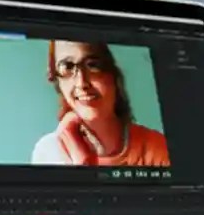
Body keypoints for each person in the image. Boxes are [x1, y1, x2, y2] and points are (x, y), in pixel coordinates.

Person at [31, 41, 170, 166]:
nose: (81, 83)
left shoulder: (158, 147)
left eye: (92, 65)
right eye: (67, 67)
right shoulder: (48, 151)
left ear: (114, 78)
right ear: (58, 83)